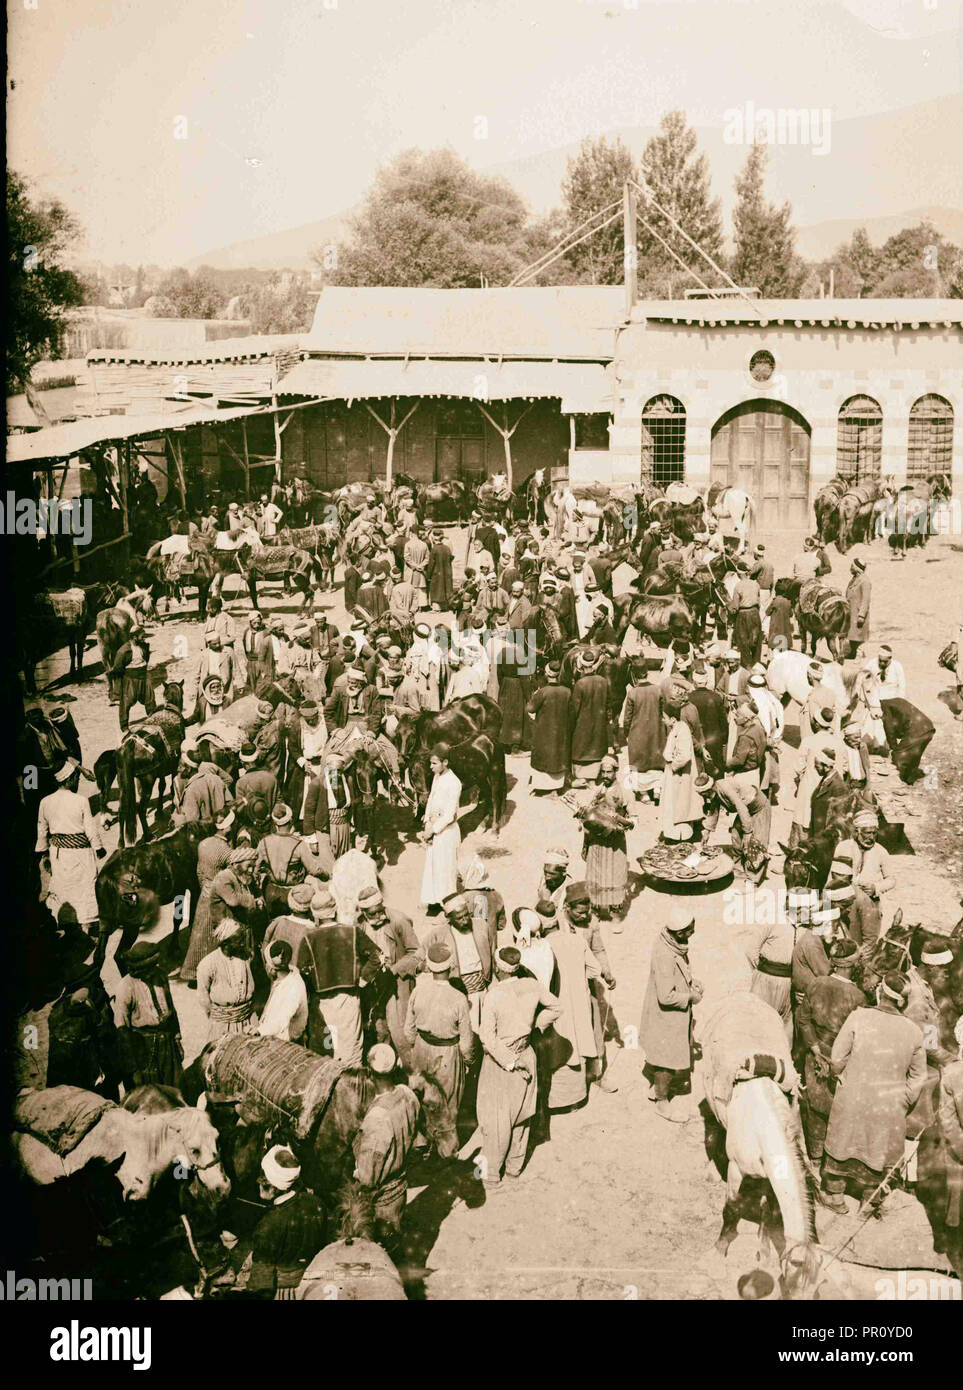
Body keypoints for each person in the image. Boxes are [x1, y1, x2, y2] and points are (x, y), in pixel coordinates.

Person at [823, 973, 927, 1207]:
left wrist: (842, 1080)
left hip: (853, 1096)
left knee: (843, 1141)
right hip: (888, 1103)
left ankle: (835, 1196)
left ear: (880, 992)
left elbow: (837, 1057)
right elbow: (919, 1075)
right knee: (878, 1147)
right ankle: (869, 1200)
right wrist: (904, 1099)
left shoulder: (858, 1017)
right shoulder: (913, 1031)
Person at [477, 947, 561, 1187]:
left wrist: (511, 1062)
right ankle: (514, 1166)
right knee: (523, 1113)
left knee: (497, 1118)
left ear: (498, 968)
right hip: (527, 1053)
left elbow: (487, 1038)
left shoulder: (493, 994)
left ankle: (491, 1174)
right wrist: (535, 1025)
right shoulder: (532, 986)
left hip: (501, 1062)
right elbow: (556, 1008)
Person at [404, 942, 474, 1159]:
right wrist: (469, 1061)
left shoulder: (418, 990)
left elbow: (408, 1030)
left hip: (421, 1050)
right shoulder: (459, 999)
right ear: (451, 966)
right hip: (447, 1054)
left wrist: (417, 1047)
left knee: (420, 1097)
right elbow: (466, 1042)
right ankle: (446, 1150)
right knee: (447, 1100)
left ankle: (420, 1142)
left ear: (430, 966)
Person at [350, 1043, 420, 1251]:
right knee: (395, 1237)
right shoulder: (408, 1094)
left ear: (369, 1073)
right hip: (400, 1186)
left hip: (381, 1199)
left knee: (381, 1249)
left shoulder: (377, 1119)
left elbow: (367, 1176)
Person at [640, 906, 702, 1122]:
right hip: (667, 1016)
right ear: (679, 932)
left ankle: (656, 1089)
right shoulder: (665, 955)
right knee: (666, 1060)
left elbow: (679, 975)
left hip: (671, 1015)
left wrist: (691, 983)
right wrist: (690, 997)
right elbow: (666, 997)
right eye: (690, 929)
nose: (693, 932)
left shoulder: (672, 943)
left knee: (666, 1054)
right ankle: (661, 1101)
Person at [248, 1146, 327, 1300]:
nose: (258, 1183)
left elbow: (261, 1284)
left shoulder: (269, 1224)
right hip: (314, 1286)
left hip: (284, 1291)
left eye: (262, 1179)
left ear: (271, 1186)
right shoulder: (317, 1203)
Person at [36, 759, 106, 933]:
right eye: (76, 778)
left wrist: (43, 852)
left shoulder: (45, 802)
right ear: (69, 779)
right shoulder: (81, 801)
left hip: (57, 853)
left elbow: (42, 829)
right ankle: (88, 922)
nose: (77, 781)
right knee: (85, 885)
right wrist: (98, 848)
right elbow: (90, 828)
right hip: (80, 853)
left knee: (62, 884)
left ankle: (66, 920)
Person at [356, 886, 424, 1064]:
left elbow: (417, 953)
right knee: (379, 1029)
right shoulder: (358, 925)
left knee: (400, 1032)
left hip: (396, 984)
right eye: (373, 914)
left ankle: (411, 1072)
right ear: (363, 912)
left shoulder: (398, 921)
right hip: (373, 985)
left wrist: (394, 970)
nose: (379, 916)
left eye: (380, 911)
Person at [112, 939, 183, 1089]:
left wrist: (177, 1040)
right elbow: (122, 1028)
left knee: (174, 1089)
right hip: (143, 1046)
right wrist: (133, 1067)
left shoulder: (161, 976)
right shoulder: (126, 986)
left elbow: (171, 1009)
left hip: (166, 1041)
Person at [427, 891, 497, 1032]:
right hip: (458, 992)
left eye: (467, 915)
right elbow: (422, 955)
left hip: (482, 989)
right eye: (459, 918)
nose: (465, 921)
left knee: (486, 1030)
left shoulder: (482, 926)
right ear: (449, 918)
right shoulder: (439, 933)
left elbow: (493, 951)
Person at [576, 755, 634, 922]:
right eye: (603, 772)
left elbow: (634, 820)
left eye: (609, 772)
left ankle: (616, 915)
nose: (606, 776)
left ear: (616, 771)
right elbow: (588, 814)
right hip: (595, 840)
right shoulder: (597, 791)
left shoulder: (625, 791)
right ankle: (595, 911)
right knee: (595, 874)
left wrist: (618, 820)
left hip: (615, 840)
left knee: (615, 875)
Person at [254, 802, 330, 918]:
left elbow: (255, 869)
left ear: (275, 823)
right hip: (293, 893)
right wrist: (326, 875)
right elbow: (314, 870)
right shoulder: (298, 844)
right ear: (290, 820)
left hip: (270, 891)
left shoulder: (264, 842)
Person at [196, 918, 257, 1042]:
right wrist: (220, 1016)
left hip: (248, 1021)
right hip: (222, 1025)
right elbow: (203, 997)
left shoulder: (247, 957)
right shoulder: (208, 964)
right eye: (238, 941)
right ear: (225, 943)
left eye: (242, 940)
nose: (242, 944)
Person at [419, 744, 462, 914]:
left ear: (445, 762)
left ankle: (447, 902)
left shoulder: (454, 782)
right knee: (433, 866)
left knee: (446, 867)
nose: (431, 767)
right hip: (434, 827)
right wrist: (427, 819)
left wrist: (433, 829)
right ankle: (433, 901)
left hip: (446, 832)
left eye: (434, 763)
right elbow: (431, 799)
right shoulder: (437, 777)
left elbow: (449, 814)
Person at [659, 700, 704, 843]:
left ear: (672, 719)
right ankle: (674, 835)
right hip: (676, 775)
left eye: (664, 717)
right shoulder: (677, 728)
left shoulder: (682, 730)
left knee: (680, 807)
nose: (662, 719)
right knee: (677, 806)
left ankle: (679, 838)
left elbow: (684, 756)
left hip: (679, 776)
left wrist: (673, 766)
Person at [570, 649, 609, 786]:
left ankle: (581, 778)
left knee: (582, 749)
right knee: (596, 749)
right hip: (599, 723)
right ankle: (593, 777)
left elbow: (574, 709)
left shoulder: (580, 684)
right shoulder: (603, 681)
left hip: (582, 724)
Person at [258, 939, 309, 1042]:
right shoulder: (280, 980)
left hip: (286, 1042)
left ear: (270, 966)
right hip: (273, 1036)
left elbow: (282, 1019)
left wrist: (260, 1031)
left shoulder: (294, 985)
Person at [110, 625, 157, 731]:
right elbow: (117, 669)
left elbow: (146, 659)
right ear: (134, 637)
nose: (143, 638)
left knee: (150, 700)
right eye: (141, 636)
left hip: (144, 678)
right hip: (130, 680)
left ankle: (154, 720)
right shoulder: (123, 651)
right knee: (126, 703)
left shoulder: (143, 646)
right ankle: (124, 726)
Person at [879, 697, 936, 783]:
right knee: (914, 756)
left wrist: (894, 747)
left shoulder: (884, 707)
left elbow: (889, 728)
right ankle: (909, 780)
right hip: (928, 728)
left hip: (917, 730)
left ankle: (898, 783)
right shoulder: (894, 701)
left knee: (898, 756)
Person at [844, 555, 871, 658]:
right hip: (851, 611)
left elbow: (866, 600)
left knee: (859, 634)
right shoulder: (854, 579)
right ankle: (852, 652)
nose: (850, 567)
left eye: (852, 565)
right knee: (852, 633)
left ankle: (859, 654)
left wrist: (862, 615)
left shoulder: (865, 581)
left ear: (857, 567)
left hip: (858, 613)